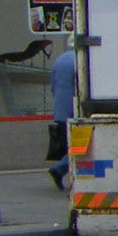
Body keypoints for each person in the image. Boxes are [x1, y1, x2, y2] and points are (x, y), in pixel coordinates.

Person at [46, 42, 77, 191]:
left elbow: (53, 86)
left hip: (60, 110)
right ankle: (59, 169)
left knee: (71, 145)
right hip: (73, 110)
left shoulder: (60, 60)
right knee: (78, 147)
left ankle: (60, 169)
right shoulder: (79, 60)